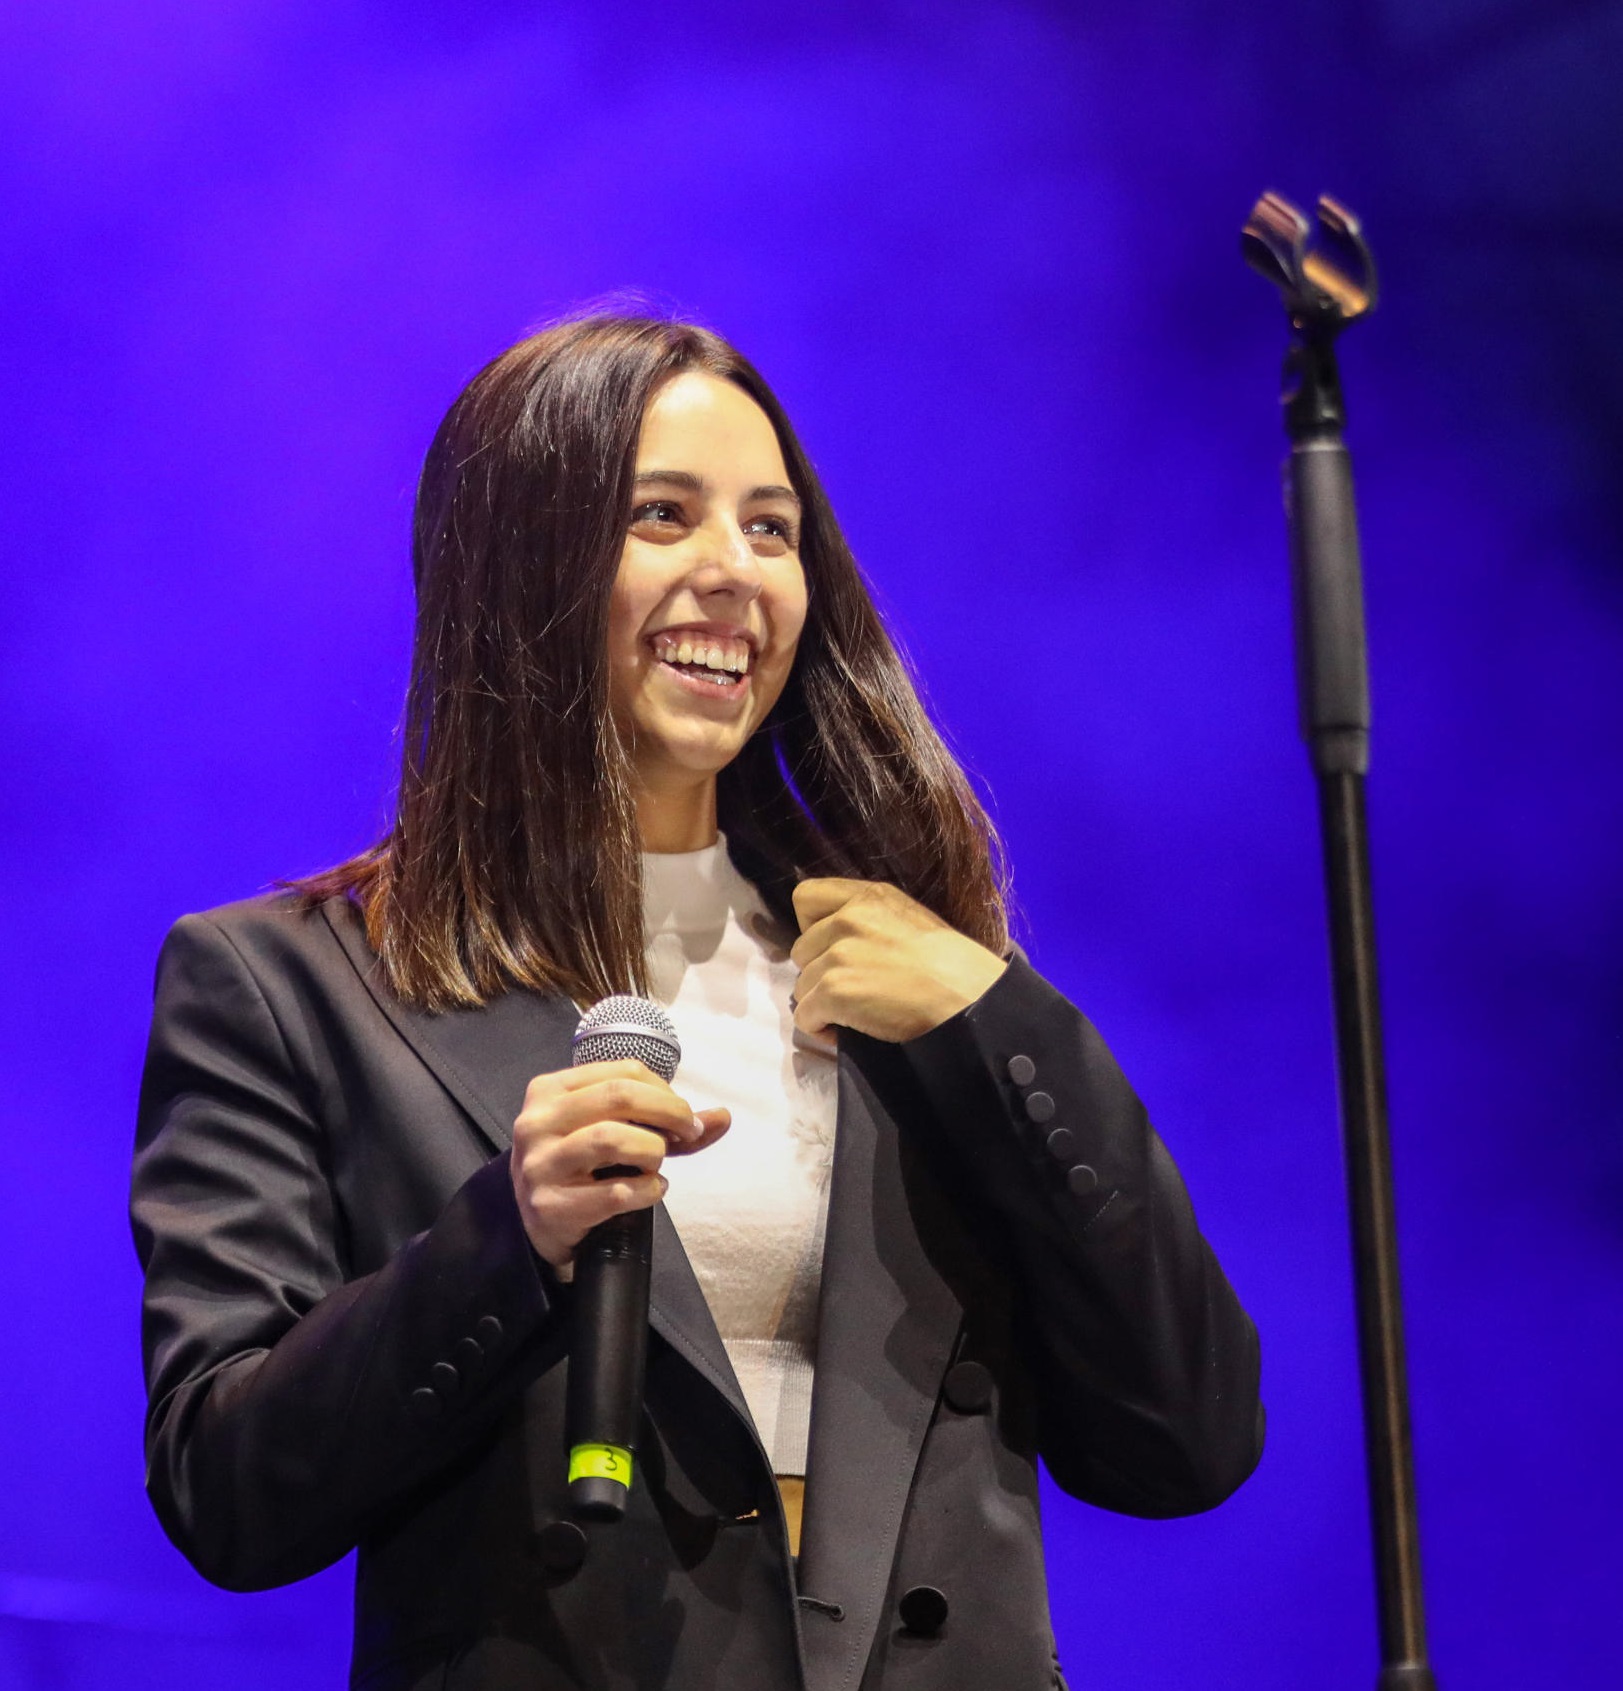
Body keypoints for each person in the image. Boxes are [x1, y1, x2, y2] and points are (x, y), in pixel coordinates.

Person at [131, 314, 1262, 1691]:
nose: (736, 574)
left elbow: (1187, 1438)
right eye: (663, 516)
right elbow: (229, 1490)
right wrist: (510, 1232)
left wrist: (1007, 1022)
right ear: (520, 566)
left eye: (772, 531)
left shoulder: (911, 972)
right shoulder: (298, 981)